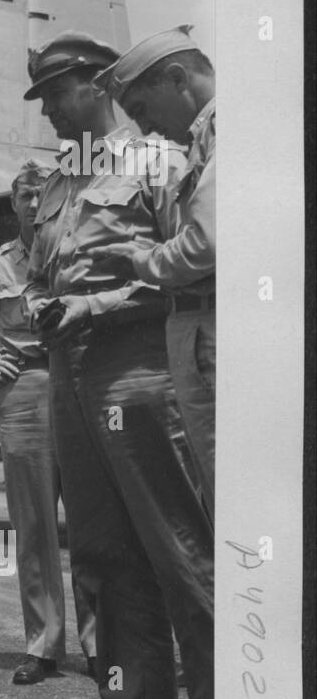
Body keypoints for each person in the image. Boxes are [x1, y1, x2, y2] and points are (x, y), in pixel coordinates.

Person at [20, 32, 213, 699]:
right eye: (39, 99)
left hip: (138, 373)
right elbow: (48, 273)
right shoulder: (57, 182)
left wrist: (99, 306)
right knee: (102, 559)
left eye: (56, 94)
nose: (46, 113)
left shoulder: (159, 161)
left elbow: (190, 270)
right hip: (70, 377)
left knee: (182, 551)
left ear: (97, 85)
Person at [0, 160, 98, 685]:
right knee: (33, 526)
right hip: (25, 393)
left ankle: (101, 645)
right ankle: (43, 646)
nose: (36, 206)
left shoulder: (80, 250)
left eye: (44, 195)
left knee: (92, 523)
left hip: (79, 384)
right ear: (12, 205)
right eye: (26, 196)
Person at [91, 27, 216, 519]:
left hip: (211, 330)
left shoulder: (225, 129)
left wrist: (137, 260)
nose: (145, 130)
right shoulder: (206, 136)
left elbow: (205, 242)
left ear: (176, 76)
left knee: (228, 492)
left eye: (142, 110)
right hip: (200, 328)